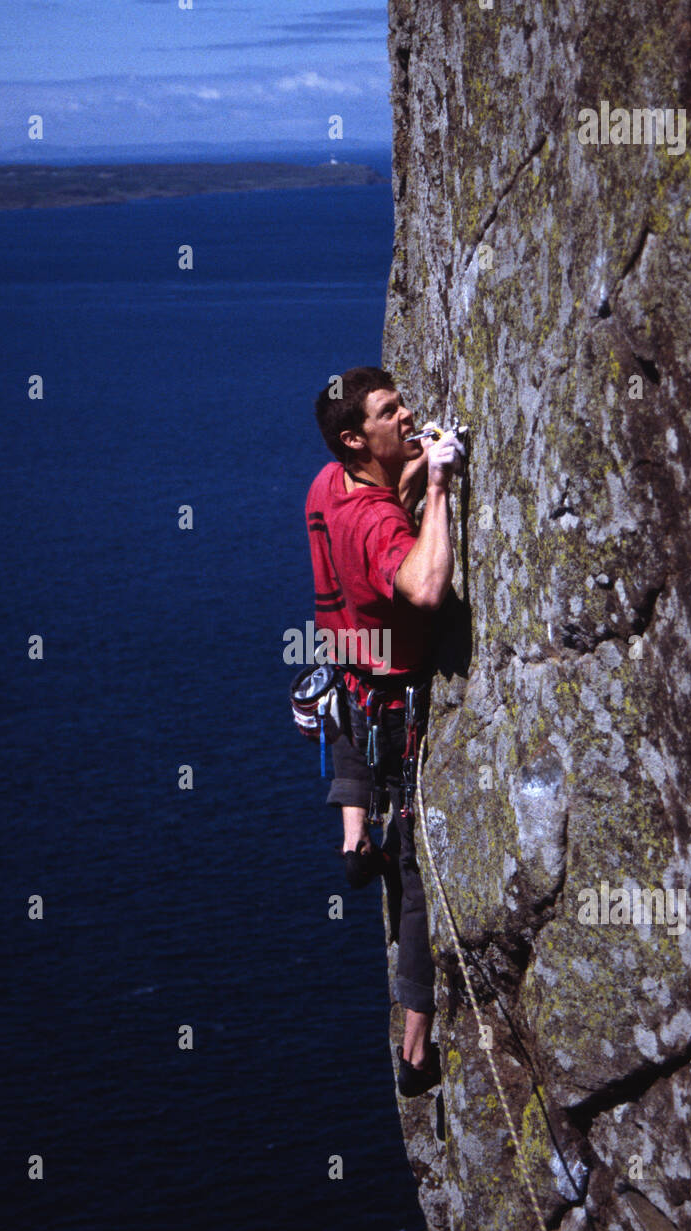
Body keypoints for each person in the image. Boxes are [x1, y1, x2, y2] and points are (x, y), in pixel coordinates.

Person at [306, 366, 464, 1097]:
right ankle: (415, 1040)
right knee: (413, 880)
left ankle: (350, 837)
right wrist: (436, 486)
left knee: (354, 757)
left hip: (347, 674)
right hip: (394, 697)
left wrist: (407, 475)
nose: (407, 415)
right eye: (389, 411)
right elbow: (423, 585)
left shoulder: (325, 485)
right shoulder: (375, 522)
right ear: (354, 436)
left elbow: (373, 520)